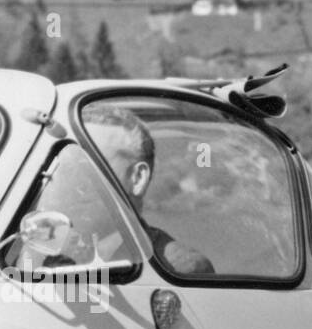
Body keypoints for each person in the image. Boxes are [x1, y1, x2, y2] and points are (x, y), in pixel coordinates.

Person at [85, 105, 215, 276]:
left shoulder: (180, 269)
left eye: (90, 163)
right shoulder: (49, 250)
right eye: (68, 162)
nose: (74, 176)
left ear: (137, 178)